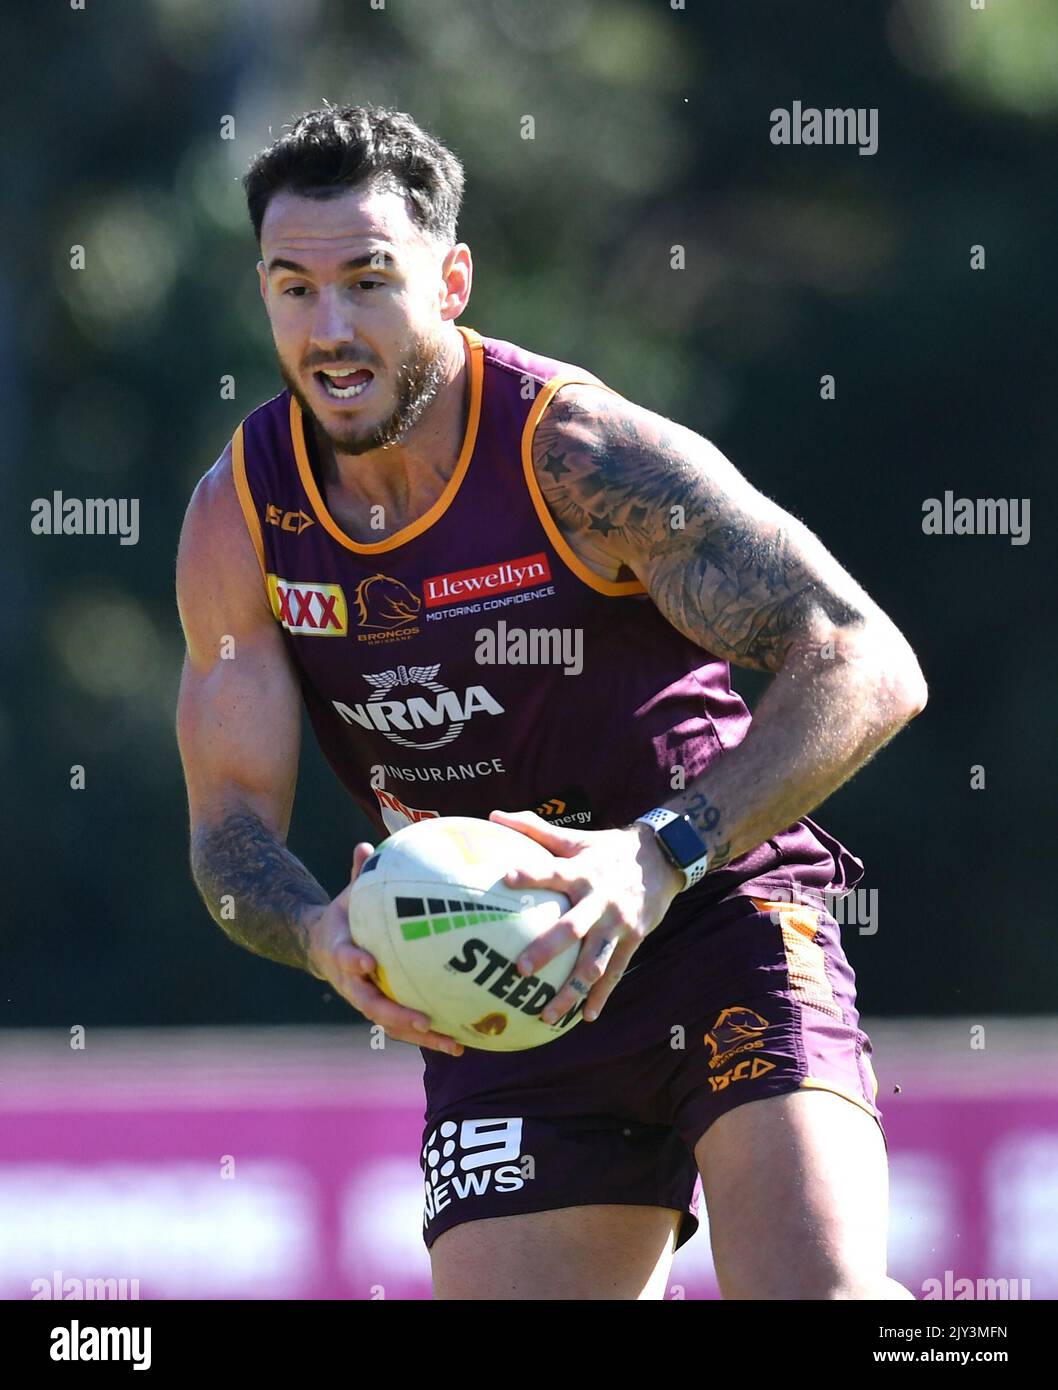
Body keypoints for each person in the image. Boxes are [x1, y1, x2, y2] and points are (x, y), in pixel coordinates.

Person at [175, 104, 927, 1300]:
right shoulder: (239, 517)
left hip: (709, 915)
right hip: (492, 977)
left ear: (452, 279)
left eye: (369, 281)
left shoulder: (571, 451)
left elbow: (864, 658)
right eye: (291, 288)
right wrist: (320, 935)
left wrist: (652, 855)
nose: (328, 329)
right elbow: (227, 835)